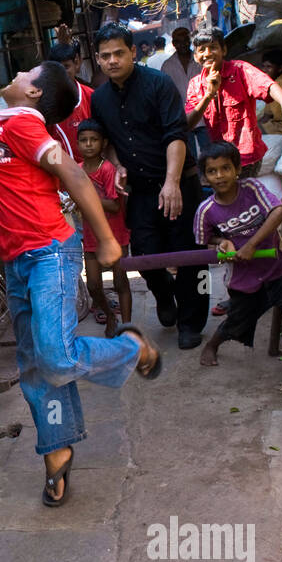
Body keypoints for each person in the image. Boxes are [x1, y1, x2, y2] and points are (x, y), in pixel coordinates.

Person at [0, 59, 161, 508]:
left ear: (35, 93)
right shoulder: (0, 126)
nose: (16, 73)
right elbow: (0, 206)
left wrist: (104, 239)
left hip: (48, 253)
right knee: (35, 365)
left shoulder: (24, 125)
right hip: (17, 261)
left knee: (56, 357)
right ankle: (57, 449)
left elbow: (75, 175)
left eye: (26, 73)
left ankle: (131, 348)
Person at [90, 22, 209, 350]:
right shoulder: (99, 100)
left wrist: (171, 184)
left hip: (179, 183)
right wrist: (116, 165)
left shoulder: (159, 84)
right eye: (105, 56)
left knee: (191, 256)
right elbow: (107, 142)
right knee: (145, 254)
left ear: (132, 52)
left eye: (118, 53)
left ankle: (191, 322)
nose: (112, 60)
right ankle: (163, 295)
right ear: (98, 60)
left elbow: (176, 134)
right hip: (140, 191)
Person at [194, 142, 282, 401]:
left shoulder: (252, 188)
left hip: (278, 267)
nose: (220, 175)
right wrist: (223, 243)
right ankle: (212, 345)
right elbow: (205, 239)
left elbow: (279, 210)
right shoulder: (206, 210)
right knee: (238, 320)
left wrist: (251, 244)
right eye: (212, 171)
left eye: (226, 168)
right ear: (206, 177)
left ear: (237, 169)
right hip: (244, 277)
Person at [185, 28, 282, 179]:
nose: (207, 53)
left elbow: (268, 85)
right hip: (219, 160)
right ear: (196, 56)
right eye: (202, 50)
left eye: (213, 47)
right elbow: (188, 124)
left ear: (223, 50)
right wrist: (209, 95)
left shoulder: (240, 70)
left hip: (246, 157)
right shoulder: (195, 84)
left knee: (243, 196)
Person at [77, 118, 131, 339]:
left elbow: (114, 204)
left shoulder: (107, 169)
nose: (88, 144)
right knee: (93, 285)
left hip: (115, 234)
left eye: (94, 140)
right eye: (83, 140)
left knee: (120, 282)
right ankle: (110, 315)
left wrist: (86, 197)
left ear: (103, 143)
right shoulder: (77, 170)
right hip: (91, 236)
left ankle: (127, 328)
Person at [161, 27, 210, 158]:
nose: (182, 44)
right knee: (190, 156)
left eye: (185, 40)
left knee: (210, 153)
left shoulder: (202, 60)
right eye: (178, 41)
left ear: (190, 41)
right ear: (174, 44)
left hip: (205, 115)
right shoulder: (167, 66)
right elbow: (165, 94)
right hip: (181, 118)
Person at [256, 49, 282, 198]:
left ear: (279, 68)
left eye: (269, 67)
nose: (265, 71)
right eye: (263, 67)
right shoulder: (277, 83)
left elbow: (276, 115)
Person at [48, 41, 94, 162]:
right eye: (57, 69)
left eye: (66, 66)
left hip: (93, 171)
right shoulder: (46, 103)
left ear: (77, 63)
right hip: (63, 174)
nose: (62, 73)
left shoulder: (90, 95)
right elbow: (48, 142)